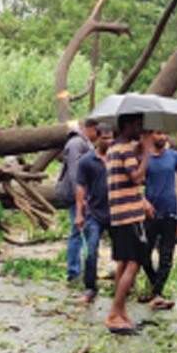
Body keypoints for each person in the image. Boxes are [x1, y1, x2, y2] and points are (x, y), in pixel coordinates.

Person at [105, 114, 154, 334]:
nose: (140, 129)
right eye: (137, 125)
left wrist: (139, 151)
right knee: (134, 262)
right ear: (127, 125)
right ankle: (115, 312)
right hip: (130, 215)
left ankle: (121, 310)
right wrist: (147, 153)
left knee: (123, 263)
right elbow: (137, 177)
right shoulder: (124, 149)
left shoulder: (114, 149)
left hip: (117, 214)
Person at [141, 131, 177, 309]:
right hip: (150, 213)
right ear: (151, 136)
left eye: (165, 134)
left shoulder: (175, 157)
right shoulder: (145, 159)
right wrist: (143, 202)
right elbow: (135, 183)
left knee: (166, 256)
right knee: (143, 254)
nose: (162, 137)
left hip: (170, 211)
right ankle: (156, 288)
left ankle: (157, 293)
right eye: (158, 134)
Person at [56, 118, 99, 283]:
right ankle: (73, 271)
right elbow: (75, 173)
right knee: (77, 231)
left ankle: (83, 269)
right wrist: (80, 197)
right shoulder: (76, 144)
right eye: (97, 131)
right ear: (89, 128)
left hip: (82, 195)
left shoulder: (84, 143)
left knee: (83, 232)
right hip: (75, 196)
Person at [74, 124, 114, 304]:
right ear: (97, 138)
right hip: (94, 213)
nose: (109, 141)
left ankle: (126, 284)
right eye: (105, 138)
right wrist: (79, 213)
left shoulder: (117, 159)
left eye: (111, 137)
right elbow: (81, 187)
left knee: (124, 252)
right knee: (91, 251)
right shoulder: (86, 161)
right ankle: (90, 287)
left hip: (116, 212)